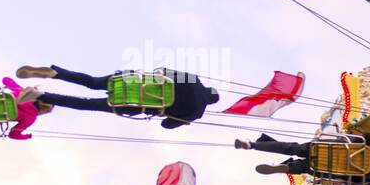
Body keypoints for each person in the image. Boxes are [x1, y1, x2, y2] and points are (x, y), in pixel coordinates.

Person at [13, 65, 221, 129]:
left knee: (92, 82)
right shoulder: (195, 113)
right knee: (86, 105)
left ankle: (56, 73)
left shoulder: (194, 80)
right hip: (135, 104)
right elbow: (167, 125)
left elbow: (162, 71)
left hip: (132, 82)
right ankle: (40, 94)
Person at [233, 132, 370, 180]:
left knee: (292, 148)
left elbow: (355, 139)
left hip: (326, 150)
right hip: (330, 168)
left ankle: (252, 145)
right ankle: (288, 167)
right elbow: (356, 179)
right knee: (305, 167)